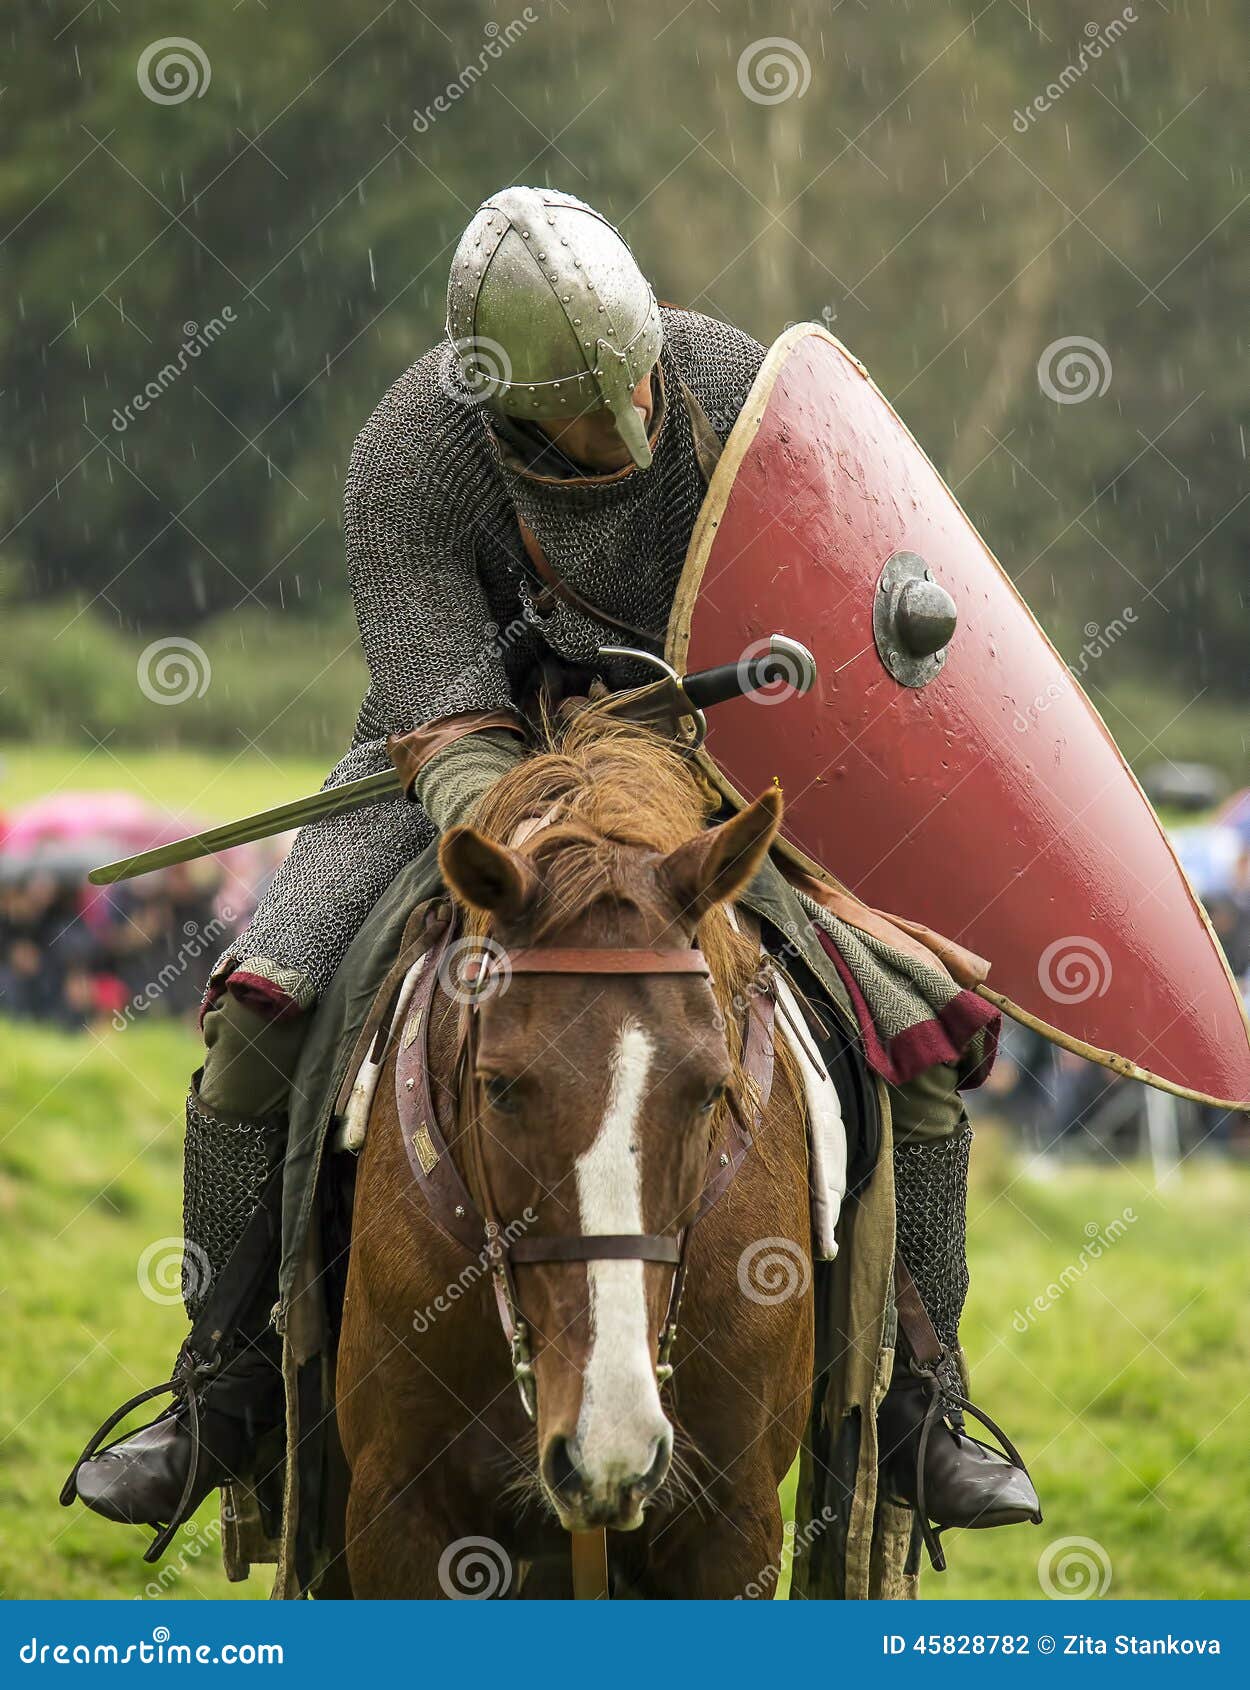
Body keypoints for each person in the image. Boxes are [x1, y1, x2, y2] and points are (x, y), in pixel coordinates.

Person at [69, 186, 1038, 1555]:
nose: (629, 412)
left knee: (920, 1031)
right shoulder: (414, 450)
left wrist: (871, 634)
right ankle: (222, 1388)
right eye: (588, 408)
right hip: (461, 777)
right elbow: (441, 703)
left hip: (704, 772)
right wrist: (537, 831)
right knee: (254, 1023)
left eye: (633, 378)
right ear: (511, 411)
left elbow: (834, 584)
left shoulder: (727, 387)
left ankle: (921, 1403)